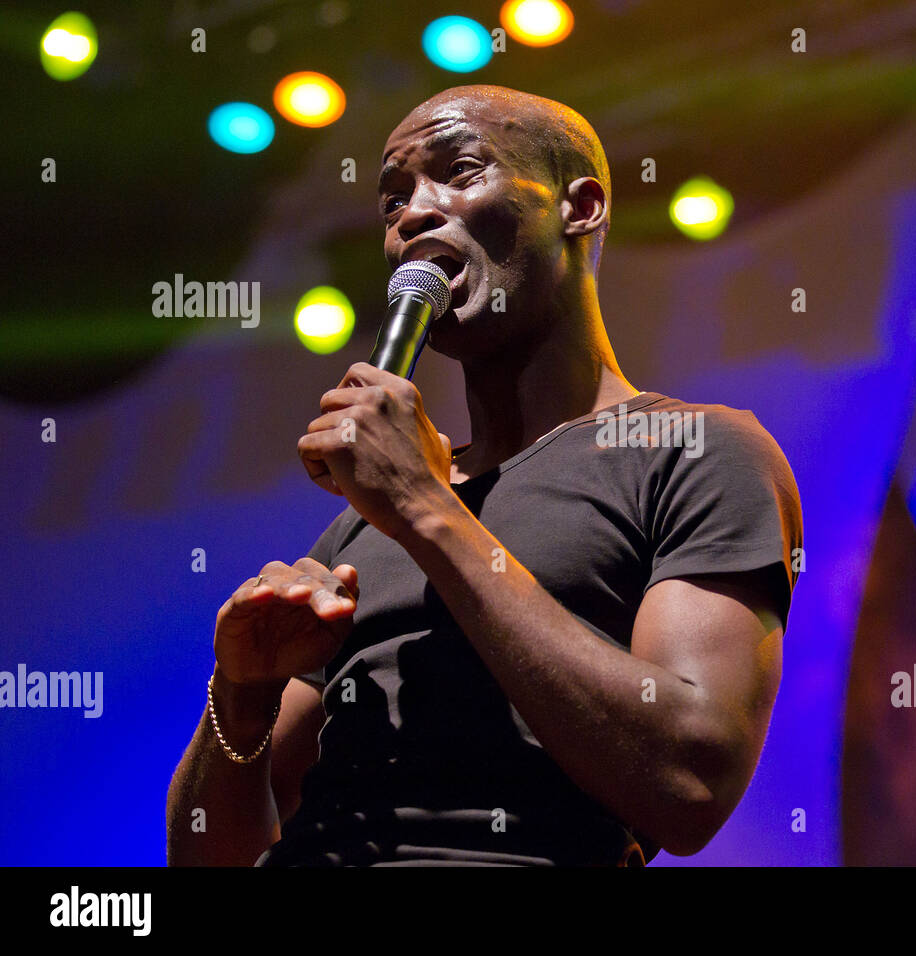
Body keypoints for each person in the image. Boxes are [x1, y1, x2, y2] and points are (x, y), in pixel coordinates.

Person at [165, 84, 802, 866]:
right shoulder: (365, 521)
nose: (412, 214)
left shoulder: (694, 452)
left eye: (460, 171)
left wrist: (427, 508)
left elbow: (690, 784)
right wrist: (240, 694)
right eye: (393, 197)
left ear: (582, 207)